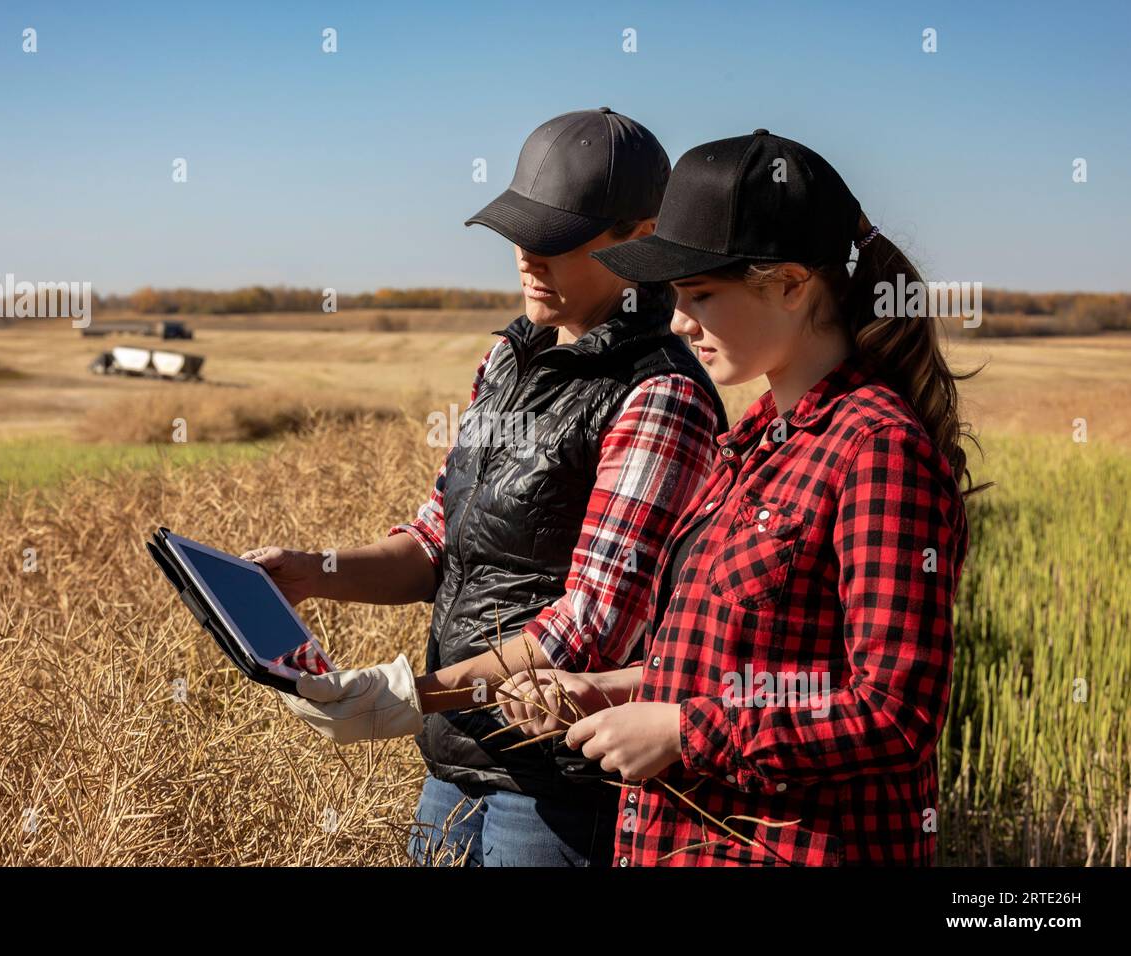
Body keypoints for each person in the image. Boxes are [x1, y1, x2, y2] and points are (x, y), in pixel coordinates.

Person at [243, 109, 725, 866]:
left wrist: (414, 694)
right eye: (520, 235)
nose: (529, 257)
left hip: (558, 788)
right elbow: (438, 539)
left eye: (558, 240)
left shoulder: (660, 394)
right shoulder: (510, 356)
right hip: (457, 766)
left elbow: (595, 623)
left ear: (640, 239)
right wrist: (315, 571)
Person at [502, 129, 976, 865]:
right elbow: (723, 668)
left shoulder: (878, 451)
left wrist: (682, 734)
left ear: (789, 283)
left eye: (700, 295)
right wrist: (604, 690)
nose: (680, 322)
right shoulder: (753, 442)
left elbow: (892, 713)